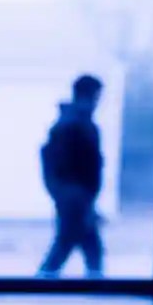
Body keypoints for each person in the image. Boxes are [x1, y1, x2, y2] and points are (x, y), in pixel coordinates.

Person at [38, 74, 105, 278]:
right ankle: (46, 278)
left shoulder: (70, 124)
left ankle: (46, 278)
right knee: (73, 241)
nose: (97, 103)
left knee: (80, 242)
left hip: (73, 194)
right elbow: (79, 167)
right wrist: (79, 198)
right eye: (95, 98)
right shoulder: (75, 127)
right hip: (75, 194)